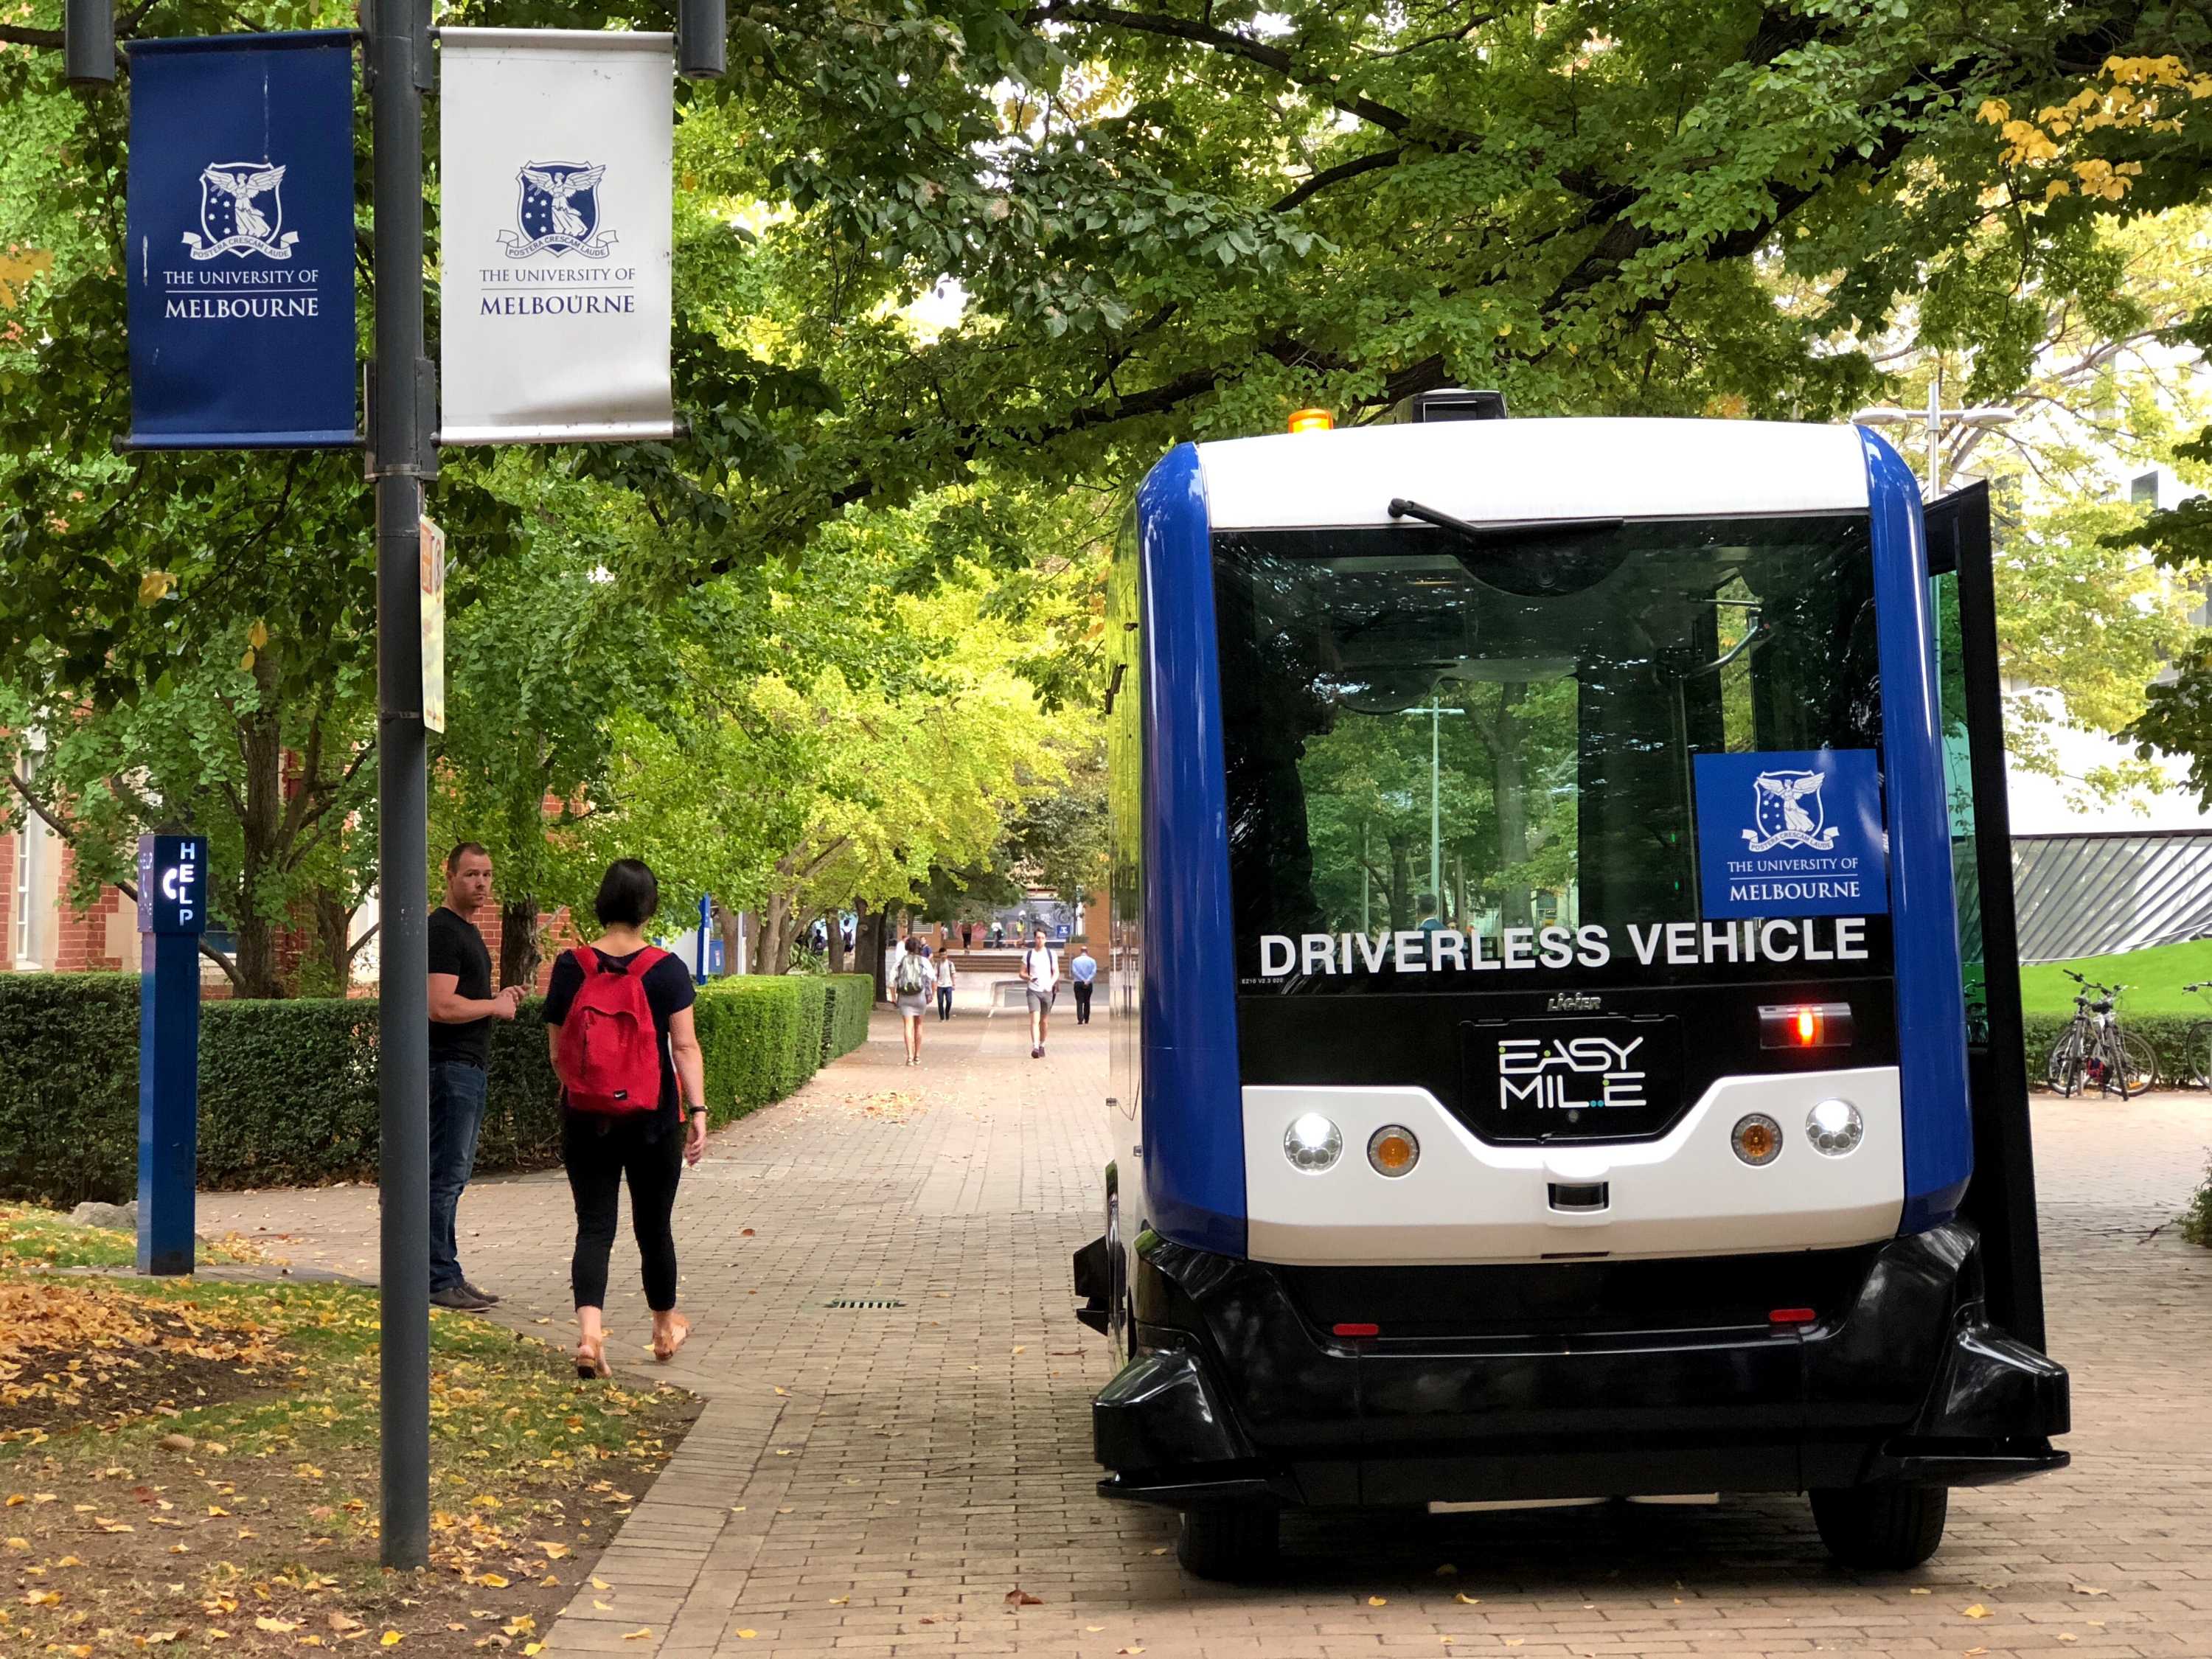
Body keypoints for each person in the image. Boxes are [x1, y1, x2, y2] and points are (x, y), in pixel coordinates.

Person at [543, 858, 708, 1379]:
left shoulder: (571, 966)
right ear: (648, 907)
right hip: (652, 1117)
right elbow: (685, 1047)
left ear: (602, 902)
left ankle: (590, 1336)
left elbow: (557, 1052)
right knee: (654, 1227)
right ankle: (662, 1330)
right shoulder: (667, 969)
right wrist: (698, 1111)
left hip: (586, 1115)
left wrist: (582, 1091)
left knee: (594, 1227)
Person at [427, 843, 524, 1312]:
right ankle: (435, 1277)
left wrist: (498, 998)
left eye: (486, 875)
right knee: (444, 1177)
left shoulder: (466, 932)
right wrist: (494, 1006)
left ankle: (448, 1272)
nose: (481, 883)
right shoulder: (443, 932)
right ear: (449, 876)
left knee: (454, 1176)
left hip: (467, 1068)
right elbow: (440, 1006)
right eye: (471, 874)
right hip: (449, 1069)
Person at [892, 934, 936, 1063]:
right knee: (919, 1025)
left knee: (908, 1026)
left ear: (906, 947)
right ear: (919, 947)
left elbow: (891, 981)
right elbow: (933, 978)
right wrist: (932, 994)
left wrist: (894, 997)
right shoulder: (924, 961)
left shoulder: (901, 962)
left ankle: (910, 1057)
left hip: (904, 997)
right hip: (920, 996)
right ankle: (917, 1056)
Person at [1022, 925, 1060, 1060]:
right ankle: (1035, 1047)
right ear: (1034, 939)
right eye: (1038, 938)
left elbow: (1056, 972)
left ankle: (1042, 1044)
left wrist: (1051, 983)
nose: (1040, 940)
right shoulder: (1028, 955)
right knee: (1035, 1019)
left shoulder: (1051, 954)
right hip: (1033, 990)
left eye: (1043, 938)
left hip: (1047, 991)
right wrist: (1028, 977)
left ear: (1046, 939)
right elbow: (1021, 973)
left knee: (1044, 1022)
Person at [1069, 941, 1098, 1026]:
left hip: (1078, 983)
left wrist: (1082, 979)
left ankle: (1080, 1019)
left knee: (1079, 1001)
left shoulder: (1075, 961)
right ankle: (1087, 1019)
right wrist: (1087, 980)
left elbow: (1074, 972)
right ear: (1087, 951)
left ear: (1081, 951)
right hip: (1089, 983)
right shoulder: (1092, 961)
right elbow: (1094, 972)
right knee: (1087, 1001)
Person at [936, 947, 957, 1021]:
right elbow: (935, 975)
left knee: (949, 1001)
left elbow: (953, 974)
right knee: (940, 1002)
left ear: (947, 955)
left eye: (944, 954)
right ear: (939, 955)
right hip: (940, 985)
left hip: (948, 985)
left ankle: (947, 1013)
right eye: (942, 955)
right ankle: (942, 1017)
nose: (943, 956)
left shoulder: (950, 964)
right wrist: (935, 985)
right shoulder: (938, 964)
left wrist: (954, 984)